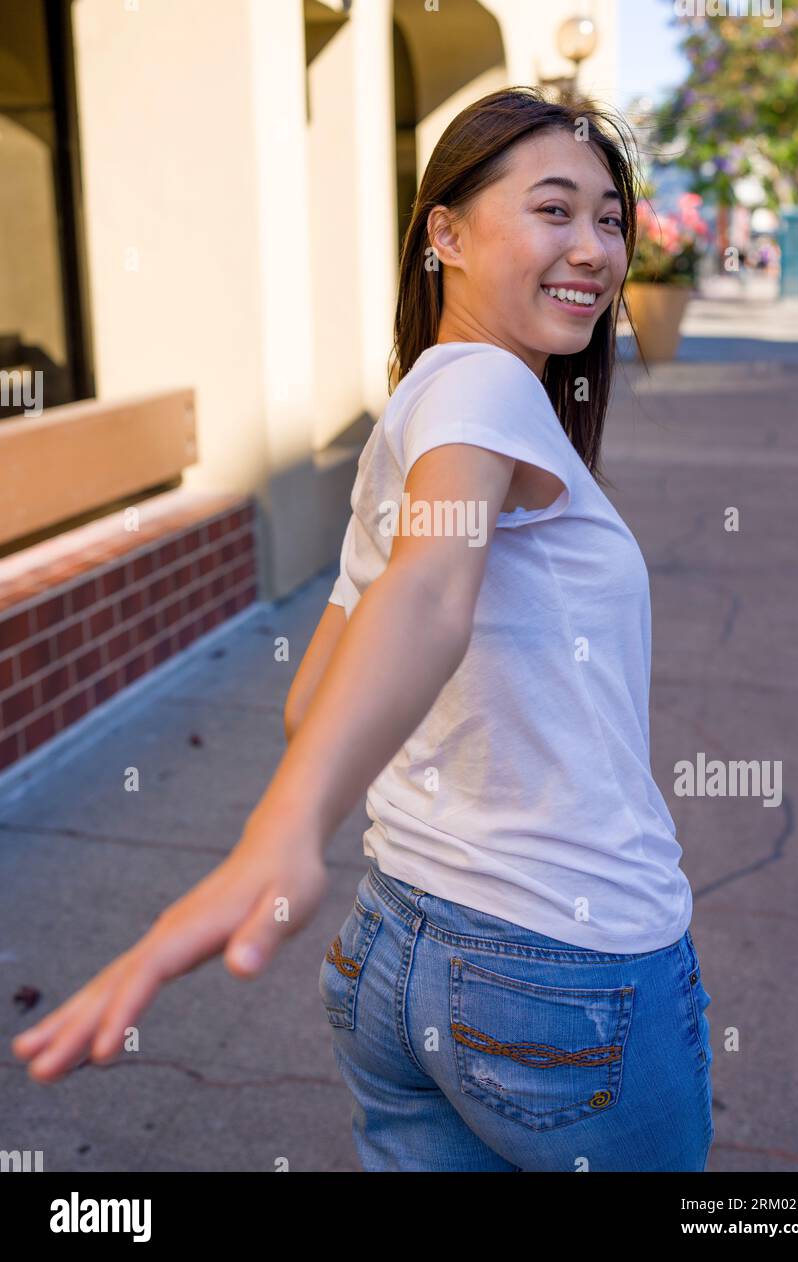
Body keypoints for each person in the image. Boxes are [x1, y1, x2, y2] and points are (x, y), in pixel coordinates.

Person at [11, 86, 714, 1173]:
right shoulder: (481, 382)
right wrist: (281, 832)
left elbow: (314, 694)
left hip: (399, 952)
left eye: (610, 220)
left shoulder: (418, 411)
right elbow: (429, 594)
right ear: (444, 231)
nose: (593, 249)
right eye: (553, 209)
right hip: (562, 977)